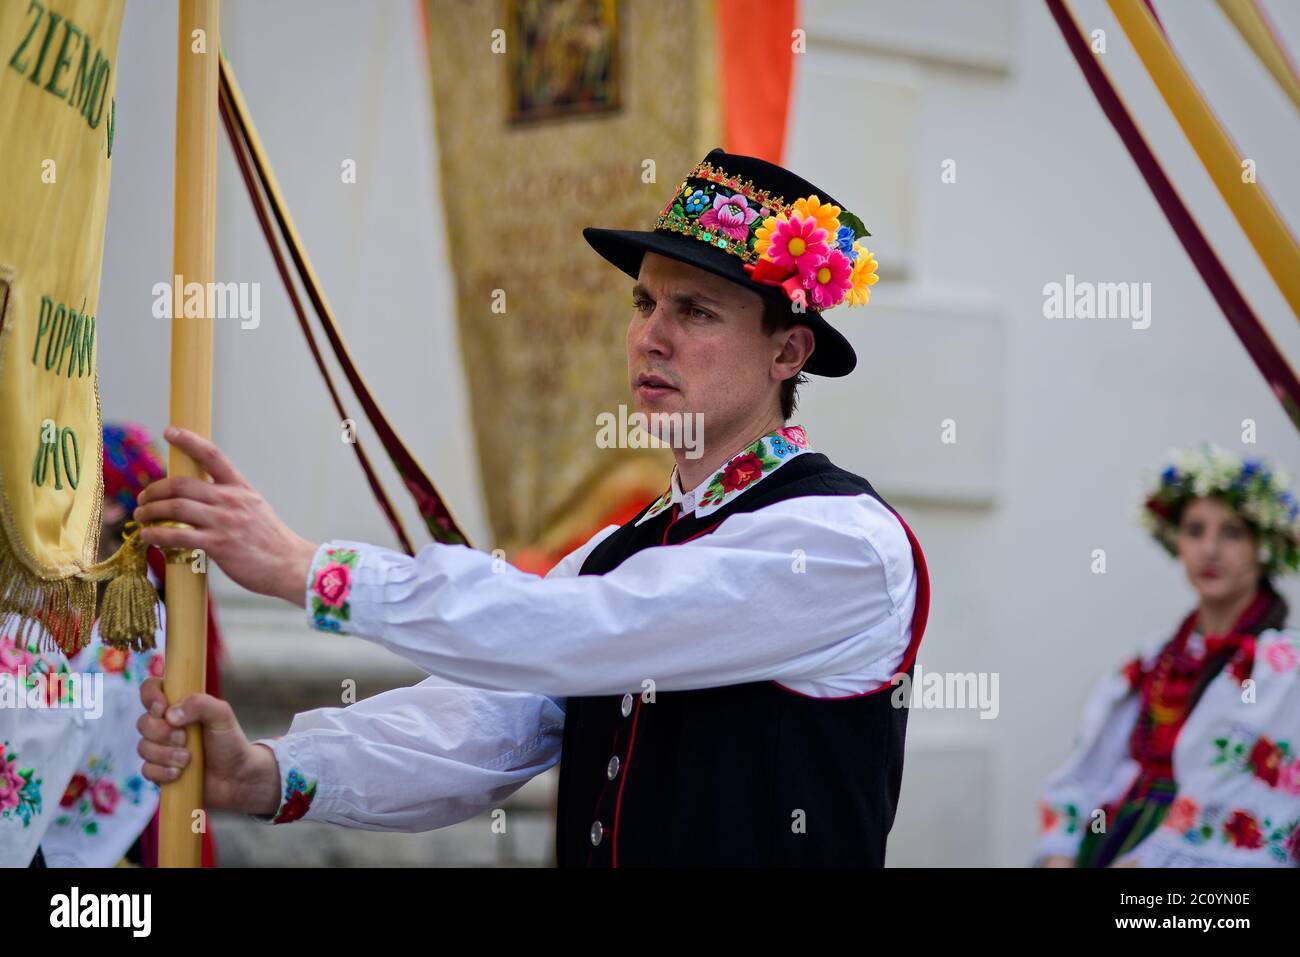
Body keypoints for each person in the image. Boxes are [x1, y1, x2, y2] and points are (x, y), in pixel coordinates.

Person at [132, 148, 931, 866]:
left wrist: (313, 570)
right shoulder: (619, 552)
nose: (651, 336)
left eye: (695, 311)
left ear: (788, 351)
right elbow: (478, 727)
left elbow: (592, 631)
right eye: (643, 303)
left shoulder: (841, 542)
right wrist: (271, 773)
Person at [1035, 445, 1300, 867]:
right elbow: (1091, 771)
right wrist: (1061, 853)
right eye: (1195, 530)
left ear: (1261, 547)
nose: (1209, 549)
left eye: (1231, 532)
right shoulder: (1155, 659)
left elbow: (1247, 804)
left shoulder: (1281, 667)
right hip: (1115, 839)